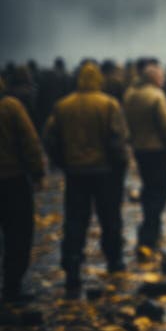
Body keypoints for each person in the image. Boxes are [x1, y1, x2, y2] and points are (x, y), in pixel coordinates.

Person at [43, 62, 129, 295]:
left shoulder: (63, 106)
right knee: (110, 217)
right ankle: (114, 260)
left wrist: (63, 162)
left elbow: (50, 139)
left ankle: (72, 267)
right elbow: (116, 140)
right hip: (104, 172)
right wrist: (120, 166)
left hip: (76, 173)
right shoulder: (109, 104)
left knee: (75, 221)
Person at [123, 62, 166, 255]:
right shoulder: (156, 95)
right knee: (160, 192)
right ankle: (150, 232)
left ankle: (150, 228)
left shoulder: (130, 94)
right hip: (158, 149)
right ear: (154, 78)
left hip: (140, 149)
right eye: (160, 76)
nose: (163, 79)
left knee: (148, 188)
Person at [0, 77, 45, 302]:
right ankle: (12, 286)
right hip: (12, 179)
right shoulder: (10, 106)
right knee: (18, 233)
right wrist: (37, 173)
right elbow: (30, 141)